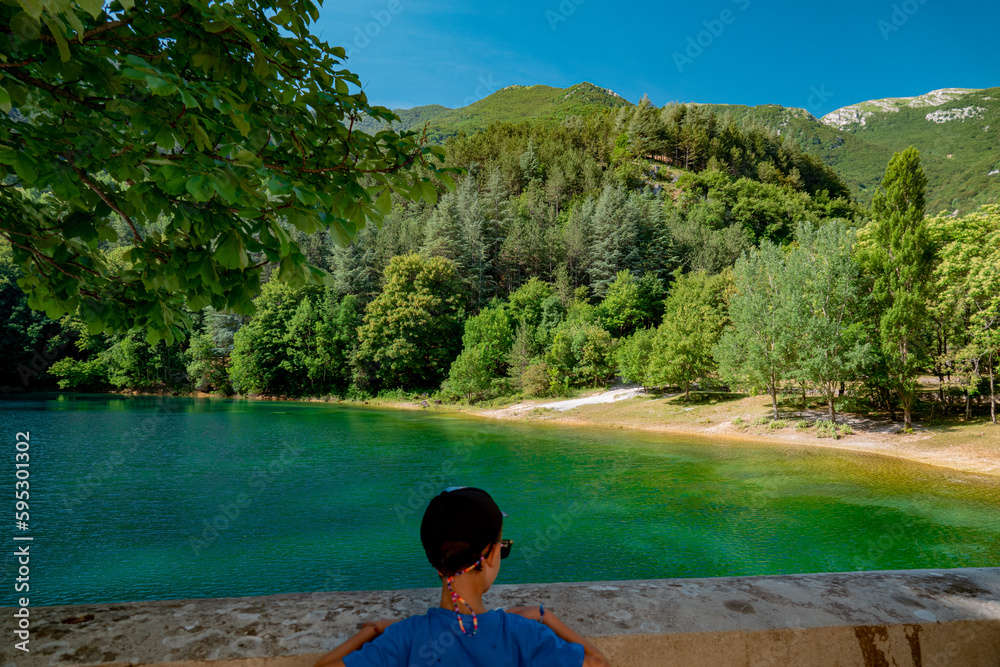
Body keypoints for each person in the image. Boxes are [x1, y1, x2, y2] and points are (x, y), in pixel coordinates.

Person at [314, 486, 609, 667]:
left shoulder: (405, 637)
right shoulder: (522, 633)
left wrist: (375, 630)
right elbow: (598, 664)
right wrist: (545, 616)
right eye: (502, 547)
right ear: (491, 555)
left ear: (434, 561)